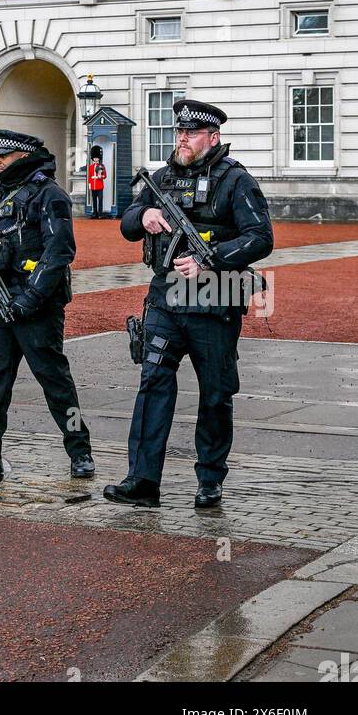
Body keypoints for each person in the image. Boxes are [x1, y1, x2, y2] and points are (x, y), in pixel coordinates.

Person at [104, 99, 274, 510]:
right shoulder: (161, 178)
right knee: (153, 383)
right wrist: (143, 213)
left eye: (191, 133)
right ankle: (143, 480)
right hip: (165, 301)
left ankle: (210, 480)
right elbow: (127, 223)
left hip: (214, 300)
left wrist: (207, 259)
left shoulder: (236, 182)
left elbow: (260, 238)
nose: (181, 138)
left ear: (212, 137)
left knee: (215, 393)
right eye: (178, 131)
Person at [0, 129, 95, 481]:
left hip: (36, 307)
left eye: (5, 155)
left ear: (24, 156)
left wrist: (31, 298)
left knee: (55, 383)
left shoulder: (51, 196)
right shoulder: (1, 195)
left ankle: (80, 451)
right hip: (0, 303)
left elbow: (59, 253)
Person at [88, 147, 107, 218]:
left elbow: (105, 176)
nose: (96, 159)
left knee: (100, 200)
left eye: (97, 158)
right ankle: (94, 213)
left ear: (99, 158)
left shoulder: (102, 166)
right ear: (93, 158)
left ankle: (100, 214)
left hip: (99, 186)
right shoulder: (91, 167)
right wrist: (90, 184)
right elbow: (89, 176)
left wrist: (99, 177)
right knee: (94, 200)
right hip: (93, 186)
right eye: (94, 158)